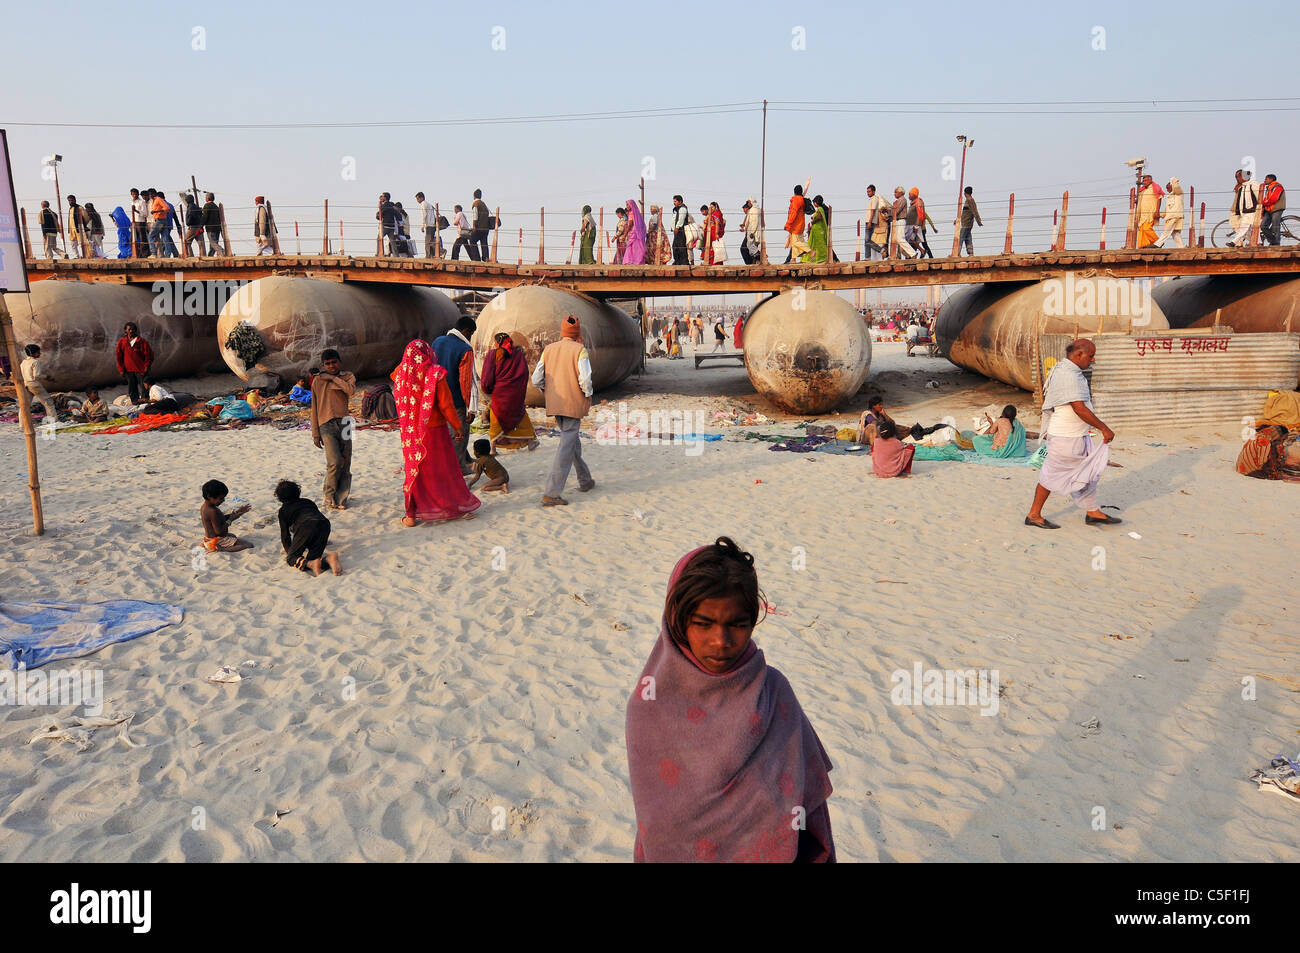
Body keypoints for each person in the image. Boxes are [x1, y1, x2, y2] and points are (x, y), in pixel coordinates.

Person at [624, 537, 835, 863]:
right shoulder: (650, 706)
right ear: (677, 620)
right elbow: (662, 828)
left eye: (738, 624)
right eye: (703, 624)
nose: (721, 641)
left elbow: (807, 808)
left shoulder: (773, 693)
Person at [1025, 339, 1121, 529]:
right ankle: (1034, 515)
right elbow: (1079, 408)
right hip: (1065, 438)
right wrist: (1104, 428)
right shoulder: (1068, 375)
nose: (1093, 360)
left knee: (1088, 472)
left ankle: (1092, 511)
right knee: (1051, 476)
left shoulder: (1066, 370)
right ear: (1078, 355)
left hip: (1076, 436)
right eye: (1091, 356)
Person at [391, 339, 481, 527]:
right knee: (444, 470)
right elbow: (447, 405)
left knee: (416, 471)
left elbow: (395, 372)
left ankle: (411, 515)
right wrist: (458, 426)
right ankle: (453, 507)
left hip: (412, 433)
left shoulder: (402, 375)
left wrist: (408, 362)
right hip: (435, 431)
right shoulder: (435, 374)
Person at [532, 314, 594, 506]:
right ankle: (552, 492)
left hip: (555, 403)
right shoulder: (580, 350)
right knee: (567, 445)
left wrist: (547, 391)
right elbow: (585, 379)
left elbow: (536, 379)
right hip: (573, 404)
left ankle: (585, 480)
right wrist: (587, 394)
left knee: (571, 440)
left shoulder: (549, 350)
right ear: (578, 333)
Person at [310, 348, 357, 510]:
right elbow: (314, 407)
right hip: (326, 424)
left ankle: (342, 498)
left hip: (345, 424)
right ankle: (329, 494)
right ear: (323, 364)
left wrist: (332, 378)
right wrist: (315, 434)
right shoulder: (317, 381)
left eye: (334, 362)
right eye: (327, 364)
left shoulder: (348, 376)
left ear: (340, 362)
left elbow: (350, 391)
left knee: (346, 461)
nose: (331, 366)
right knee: (334, 462)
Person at [432, 316, 479, 473]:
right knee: (460, 433)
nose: (470, 337)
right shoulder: (465, 349)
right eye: (471, 334)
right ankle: (459, 467)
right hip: (455, 400)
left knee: (444, 432)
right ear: (466, 331)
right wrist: (472, 409)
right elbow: (468, 381)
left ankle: (464, 458)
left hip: (437, 397)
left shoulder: (437, 342)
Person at [480, 331, 538, 451]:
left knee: (496, 417)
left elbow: (487, 376)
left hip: (499, 394)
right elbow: (524, 374)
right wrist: (519, 391)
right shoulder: (518, 355)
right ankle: (531, 440)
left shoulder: (492, 354)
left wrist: (487, 388)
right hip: (515, 394)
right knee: (520, 414)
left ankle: (493, 447)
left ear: (497, 343)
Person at [275, 480, 341, 575]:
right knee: (314, 560)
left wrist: (290, 551)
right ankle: (329, 559)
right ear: (297, 492)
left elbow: (285, 536)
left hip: (306, 526)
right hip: (324, 524)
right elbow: (316, 516)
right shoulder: (308, 501)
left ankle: (313, 563)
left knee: (291, 559)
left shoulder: (283, 510)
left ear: (279, 497)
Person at [200, 479, 253, 553]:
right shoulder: (213, 511)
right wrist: (230, 520)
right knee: (249, 545)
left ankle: (211, 545)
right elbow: (219, 532)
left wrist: (237, 513)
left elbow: (218, 520)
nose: (223, 500)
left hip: (208, 539)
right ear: (209, 496)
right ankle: (222, 549)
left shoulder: (205, 507)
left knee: (233, 536)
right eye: (221, 498)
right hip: (216, 540)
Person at [115, 322, 153, 405]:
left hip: (141, 369)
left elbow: (149, 355)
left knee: (144, 387)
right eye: (129, 329)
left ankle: (145, 402)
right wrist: (121, 369)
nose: (131, 331)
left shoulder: (141, 341)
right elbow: (119, 356)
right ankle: (135, 402)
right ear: (126, 330)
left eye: (133, 329)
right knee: (132, 387)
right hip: (129, 370)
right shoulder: (122, 342)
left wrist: (146, 366)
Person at [20, 344, 59, 421]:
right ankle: (54, 421)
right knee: (48, 402)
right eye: (38, 352)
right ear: (32, 353)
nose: (40, 354)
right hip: (34, 384)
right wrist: (47, 377)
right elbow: (37, 375)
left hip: (25, 384)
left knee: (25, 405)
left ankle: (23, 424)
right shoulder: (35, 362)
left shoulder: (23, 362)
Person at [1227, 170, 1258, 247]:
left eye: (1239, 176)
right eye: (1236, 177)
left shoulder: (1253, 184)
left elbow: (1259, 196)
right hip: (1244, 211)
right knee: (1247, 230)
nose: (1238, 178)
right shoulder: (1243, 186)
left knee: (1244, 227)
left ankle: (1234, 242)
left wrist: (1261, 209)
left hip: (1252, 210)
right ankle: (1257, 242)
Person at [1154, 178, 1185, 248]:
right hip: (1171, 217)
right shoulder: (1169, 197)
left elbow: (1176, 186)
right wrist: (1159, 215)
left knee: (1166, 231)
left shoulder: (1179, 193)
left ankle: (1158, 244)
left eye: (1168, 187)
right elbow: (1166, 211)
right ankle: (1181, 248)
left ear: (1172, 186)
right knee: (1175, 234)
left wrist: (1172, 180)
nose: (1167, 190)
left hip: (1175, 217)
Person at [785, 183, 811, 262]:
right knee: (795, 242)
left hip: (796, 225)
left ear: (794, 192)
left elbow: (793, 213)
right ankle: (793, 260)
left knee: (795, 242)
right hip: (801, 223)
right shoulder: (801, 199)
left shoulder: (796, 200)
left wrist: (788, 224)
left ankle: (810, 251)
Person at [1136, 175, 1163, 248]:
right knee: (1142, 230)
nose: (1144, 182)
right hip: (1142, 214)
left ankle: (1158, 242)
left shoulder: (1155, 187)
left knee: (1147, 228)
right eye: (1143, 181)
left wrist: (1157, 211)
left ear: (1150, 180)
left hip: (1151, 213)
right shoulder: (1143, 190)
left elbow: (1159, 198)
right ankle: (1144, 246)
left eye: (1145, 180)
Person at [1260, 174, 1286, 246]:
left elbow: (1273, 198)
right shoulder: (1269, 188)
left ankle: (1276, 242)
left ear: (1271, 179)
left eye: (1266, 179)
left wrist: (1264, 203)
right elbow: (1267, 198)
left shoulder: (1277, 186)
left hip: (1276, 208)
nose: (1264, 180)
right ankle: (1273, 241)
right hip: (1269, 209)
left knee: (1275, 226)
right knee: (1263, 226)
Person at [864, 185, 889, 259]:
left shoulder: (874, 199)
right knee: (867, 241)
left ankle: (881, 250)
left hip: (870, 222)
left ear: (874, 191)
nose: (868, 193)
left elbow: (873, 211)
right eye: (867, 192)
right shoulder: (871, 199)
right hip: (869, 221)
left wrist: (869, 221)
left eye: (869, 191)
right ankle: (867, 257)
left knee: (867, 240)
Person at [891, 187, 916, 258]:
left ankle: (912, 253)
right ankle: (907, 255)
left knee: (900, 238)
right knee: (898, 239)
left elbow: (896, 211)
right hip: (899, 220)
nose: (894, 194)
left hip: (901, 220)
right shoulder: (899, 200)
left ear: (900, 193)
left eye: (895, 192)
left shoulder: (902, 200)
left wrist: (891, 210)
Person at [959, 186, 982, 256]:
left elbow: (975, 211)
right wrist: (957, 220)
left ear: (965, 193)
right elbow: (964, 213)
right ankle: (971, 253)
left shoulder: (970, 200)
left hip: (967, 223)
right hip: (966, 223)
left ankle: (956, 253)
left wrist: (979, 221)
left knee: (961, 238)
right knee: (968, 238)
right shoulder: (968, 200)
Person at [415, 191, 438, 258]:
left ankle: (439, 252)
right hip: (432, 224)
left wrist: (423, 225)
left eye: (417, 199)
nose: (417, 200)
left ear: (421, 198)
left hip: (429, 225)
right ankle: (430, 255)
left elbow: (424, 215)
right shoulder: (428, 204)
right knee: (430, 241)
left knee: (428, 242)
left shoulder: (423, 204)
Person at [625, 199, 647, 266]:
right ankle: (638, 260)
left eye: (628, 205)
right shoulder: (636, 213)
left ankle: (630, 260)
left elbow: (630, 224)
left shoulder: (631, 213)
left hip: (633, 232)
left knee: (631, 246)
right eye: (626, 205)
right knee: (637, 246)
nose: (627, 206)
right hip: (637, 232)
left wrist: (625, 234)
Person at [471, 188, 491, 261]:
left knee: (472, 240)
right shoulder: (483, 204)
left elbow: (475, 216)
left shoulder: (475, 204)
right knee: (484, 243)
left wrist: (474, 226)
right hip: (486, 228)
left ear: (474, 196)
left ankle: (476, 258)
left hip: (479, 227)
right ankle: (486, 258)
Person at [740, 198, 761, 264]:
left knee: (749, 247)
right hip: (750, 232)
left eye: (749, 202)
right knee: (748, 248)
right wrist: (744, 227)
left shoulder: (754, 210)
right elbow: (749, 222)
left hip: (752, 233)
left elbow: (755, 222)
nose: (748, 204)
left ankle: (759, 259)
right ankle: (754, 262)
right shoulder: (752, 210)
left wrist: (752, 232)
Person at [147, 188, 168, 256]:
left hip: (160, 220)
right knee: (165, 238)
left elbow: (167, 208)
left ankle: (153, 253)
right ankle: (167, 255)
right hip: (161, 220)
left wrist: (156, 211)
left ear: (153, 194)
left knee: (150, 236)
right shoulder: (154, 200)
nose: (150, 195)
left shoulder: (158, 199)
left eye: (150, 194)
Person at [808, 195, 829, 262]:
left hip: (818, 230)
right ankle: (815, 258)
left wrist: (813, 221)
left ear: (816, 203)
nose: (814, 204)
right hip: (816, 230)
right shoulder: (820, 209)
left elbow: (819, 217)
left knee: (820, 244)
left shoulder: (820, 209)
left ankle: (823, 257)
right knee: (817, 244)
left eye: (814, 203)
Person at [129, 188, 148, 257]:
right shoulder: (132, 202)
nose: (134, 195)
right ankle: (135, 254)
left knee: (142, 238)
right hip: (133, 222)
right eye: (133, 194)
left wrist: (136, 211)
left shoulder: (141, 202)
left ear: (138, 194)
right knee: (132, 239)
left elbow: (145, 214)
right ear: (131, 195)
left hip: (140, 222)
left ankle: (144, 254)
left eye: (135, 194)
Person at [671, 195, 689, 265]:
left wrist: (677, 227)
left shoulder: (683, 209)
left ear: (680, 201)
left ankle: (684, 262)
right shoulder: (676, 209)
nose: (674, 203)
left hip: (681, 230)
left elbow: (681, 219)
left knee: (681, 246)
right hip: (677, 231)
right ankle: (677, 261)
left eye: (675, 201)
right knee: (675, 246)